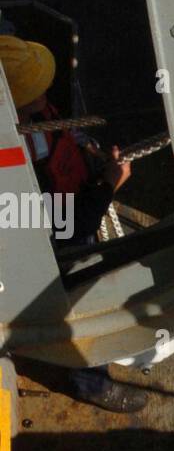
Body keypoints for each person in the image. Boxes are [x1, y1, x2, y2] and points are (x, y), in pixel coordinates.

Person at [0, 34, 147, 413]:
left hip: (69, 201)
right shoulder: (19, 166)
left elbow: (66, 129)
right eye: (37, 89)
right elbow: (67, 225)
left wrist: (93, 155)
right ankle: (90, 382)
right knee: (80, 305)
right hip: (50, 243)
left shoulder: (33, 114)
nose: (46, 93)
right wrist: (111, 184)